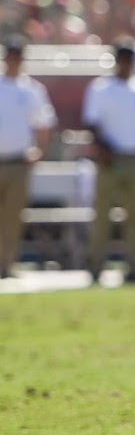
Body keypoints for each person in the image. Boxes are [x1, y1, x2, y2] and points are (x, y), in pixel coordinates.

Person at [84, 40, 135, 283]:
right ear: (117, 61)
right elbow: (92, 122)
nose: (126, 64)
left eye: (130, 60)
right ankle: (95, 266)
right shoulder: (101, 88)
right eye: (123, 59)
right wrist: (104, 148)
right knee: (103, 215)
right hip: (109, 159)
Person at [0, 37, 55, 279]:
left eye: (17, 56)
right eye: (10, 55)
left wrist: (39, 150)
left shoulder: (32, 89)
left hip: (18, 161)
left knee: (13, 216)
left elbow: (44, 123)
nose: (13, 60)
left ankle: (7, 263)